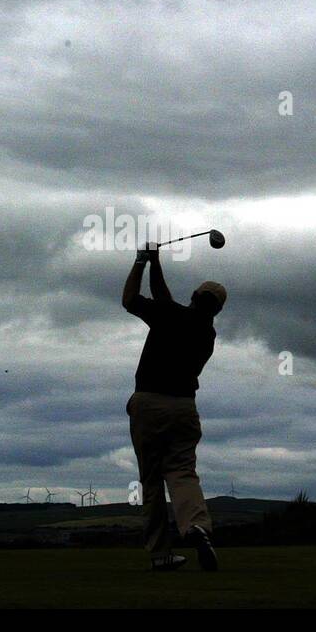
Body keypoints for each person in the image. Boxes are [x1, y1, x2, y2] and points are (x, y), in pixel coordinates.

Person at [122, 241, 226, 571]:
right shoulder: (207, 333)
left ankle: (161, 555)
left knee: (151, 482)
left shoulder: (171, 314)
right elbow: (164, 300)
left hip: (149, 403)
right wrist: (156, 264)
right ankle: (196, 525)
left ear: (194, 296)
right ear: (216, 309)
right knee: (182, 473)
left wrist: (144, 261)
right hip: (184, 408)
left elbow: (131, 300)